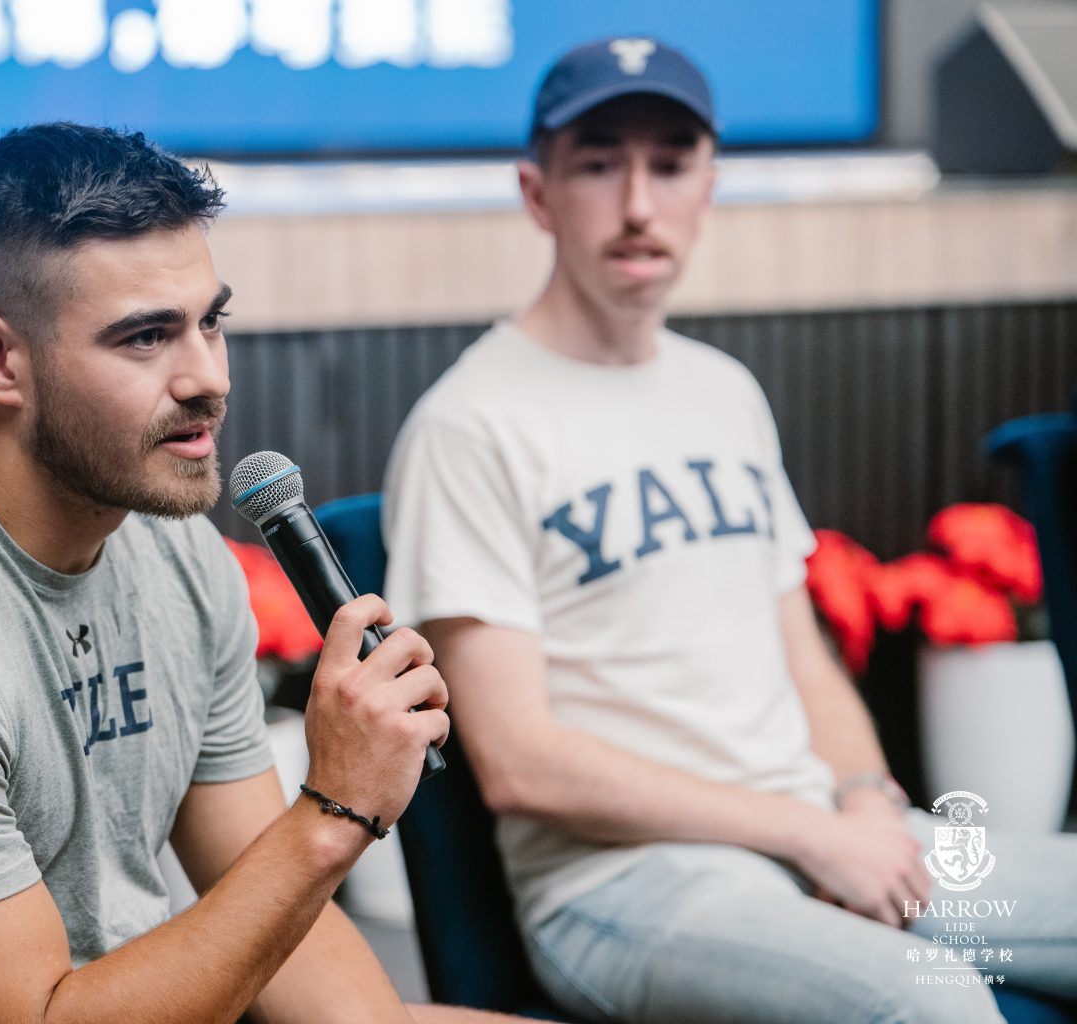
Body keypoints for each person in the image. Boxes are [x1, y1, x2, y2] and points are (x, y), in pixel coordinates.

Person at [0, 122, 513, 1024]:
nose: (207, 377)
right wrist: (332, 812)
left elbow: (272, 896)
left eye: (212, 321)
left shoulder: (176, 553)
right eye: (145, 339)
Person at [382, 37, 1077, 1024]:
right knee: (931, 1005)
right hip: (628, 888)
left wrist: (867, 801)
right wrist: (806, 832)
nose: (638, 203)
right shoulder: (469, 423)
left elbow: (806, 659)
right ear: (538, 194)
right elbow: (520, 760)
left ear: (708, 186)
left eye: (670, 164)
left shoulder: (725, 392)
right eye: (598, 164)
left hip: (815, 828)